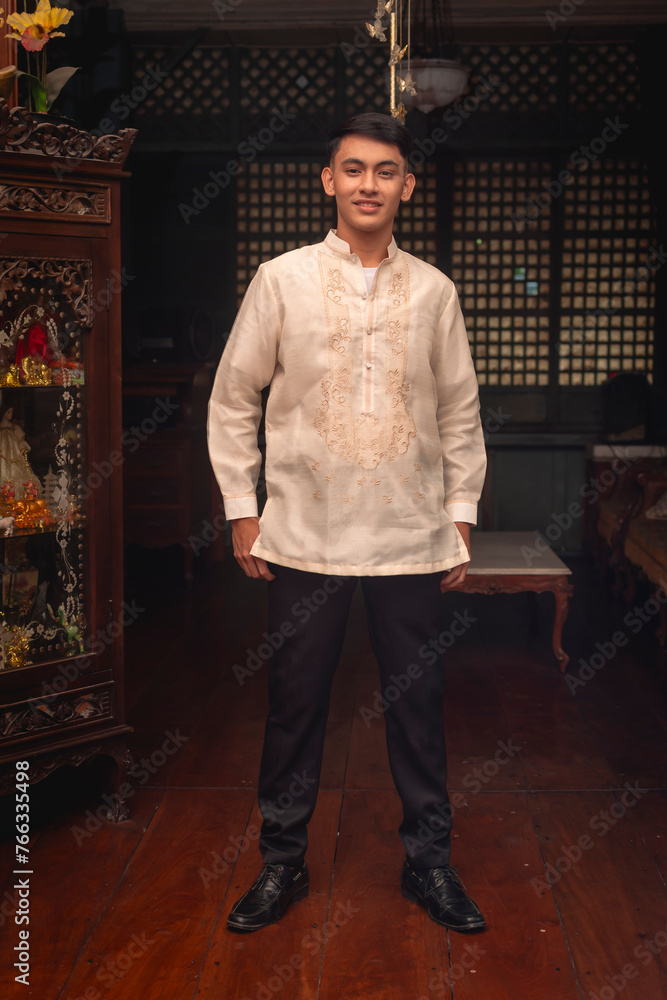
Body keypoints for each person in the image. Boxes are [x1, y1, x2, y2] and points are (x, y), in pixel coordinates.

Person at [207, 112, 488, 935]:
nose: (369, 184)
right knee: (295, 703)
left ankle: (429, 863)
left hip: (408, 533)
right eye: (353, 169)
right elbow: (233, 400)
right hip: (304, 533)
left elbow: (460, 413)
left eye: (386, 171)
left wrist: (461, 511)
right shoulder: (281, 279)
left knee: (419, 702)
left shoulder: (434, 290)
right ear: (328, 181)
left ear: (407, 184)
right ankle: (281, 864)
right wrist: (241, 508)